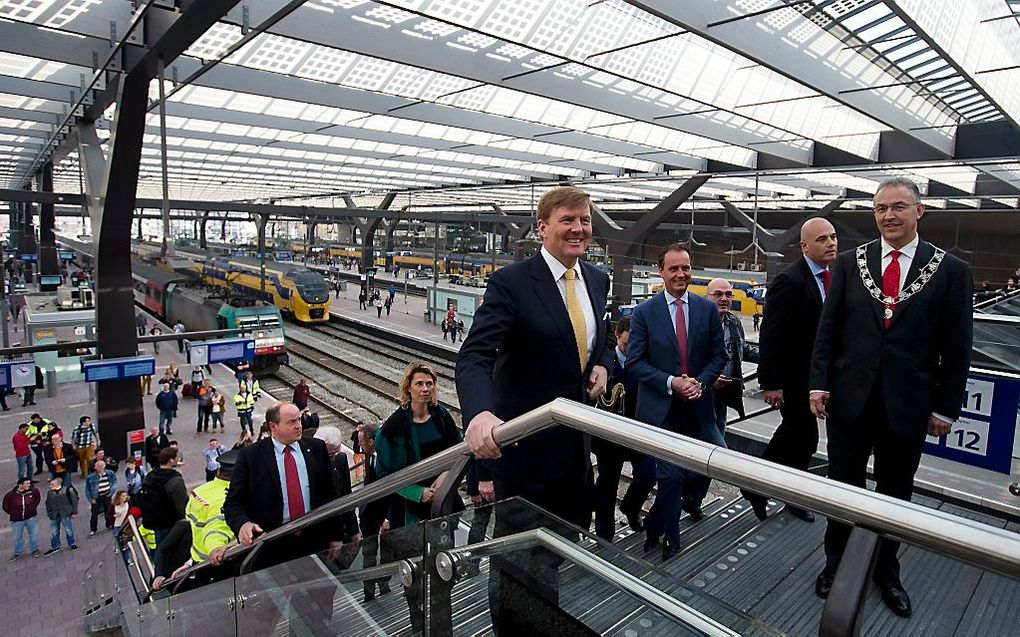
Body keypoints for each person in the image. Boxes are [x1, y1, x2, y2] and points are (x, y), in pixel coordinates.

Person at [809, 178, 973, 618]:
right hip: (850, 399)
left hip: (909, 404)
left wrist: (945, 406)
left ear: (919, 211)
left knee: (896, 492)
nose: (888, 216)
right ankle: (836, 563)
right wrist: (818, 382)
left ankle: (886, 570)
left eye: (898, 207)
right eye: (880, 208)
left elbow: (958, 348)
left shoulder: (951, 271)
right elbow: (829, 330)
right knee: (843, 485)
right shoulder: (849, 263)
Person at [456, 186, 614, 628]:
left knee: (551, 562)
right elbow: (474, 356)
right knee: (518, 566)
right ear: (542, 227)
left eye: (584, 220)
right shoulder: (511, 283)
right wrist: (480, 414)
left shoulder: (597, 280)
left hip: (572, 455)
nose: (579, 229)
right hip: (524, 457)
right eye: (567, 220)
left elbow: (597, 343)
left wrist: (602, 365)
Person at [626, 243, 725, 560]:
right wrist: (672, 383)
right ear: (661, 272)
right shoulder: (644, 313)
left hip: (698, 408)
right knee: (669, 477)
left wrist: (700, 382)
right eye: (674, 268)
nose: (681, 274)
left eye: (686, 267)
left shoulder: (706, 310)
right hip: (661, 410)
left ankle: (654, 523)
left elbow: (718, 356)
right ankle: (671, 540)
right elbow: (635, 363)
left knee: (717, 462)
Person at [745, 218, 837, 523]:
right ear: (805, 246)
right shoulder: (790, 280)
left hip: (814, 380)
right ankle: (767, 488)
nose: (831, 243)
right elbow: (771, 335)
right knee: (801, 438)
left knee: (798, 438)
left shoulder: (829, 277)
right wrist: (771, 383)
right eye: (822, 239)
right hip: (794, 380)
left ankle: (767, 488)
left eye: (833, 237)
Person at [375, 362, 462, 631]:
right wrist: (416, 492)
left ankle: (441, 622)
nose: (425, 389)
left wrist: (448, 475)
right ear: (408, 388)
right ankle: (418, 623)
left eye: (429, 383)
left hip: (443, 505)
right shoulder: (392, 428)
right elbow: (385, 474)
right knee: (414, 572)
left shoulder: (442, 416)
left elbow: (459, 450)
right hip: (409, 512)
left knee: (443, 566)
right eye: (419, 384)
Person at [223, 402, 341, 565]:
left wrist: (335, 536)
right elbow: (233, 503)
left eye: (299, 420)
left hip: (314, 539)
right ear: (273, 426)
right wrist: (242, 524)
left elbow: (331, 495)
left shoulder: (316, 448)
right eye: (291, 422)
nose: (299, 426)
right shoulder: (250, 456)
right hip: (270, 544)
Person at [591, 316, 655, 540]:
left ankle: (630, 507)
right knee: (608, 483)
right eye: (626, 344)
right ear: (617, 337)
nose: (630, 349)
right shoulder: (607, 364)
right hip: (609, 435)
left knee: (648, 474)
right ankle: (604, 534)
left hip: (637, 431)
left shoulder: (643, 360)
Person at [356, 423, 392, 601]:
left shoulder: (388, 458)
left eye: (362, 443)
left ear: (371, 442)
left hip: (386, 512)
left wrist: (388, 518)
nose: (360, 447)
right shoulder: (369, 454)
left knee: (387, 551)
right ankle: (368, 591)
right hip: (369, 512)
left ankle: (383, 582)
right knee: (369, 552)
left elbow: (394, 490)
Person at [187, 450, 238, 565]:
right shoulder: (228, 500)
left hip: (195, 557)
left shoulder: (198, 491)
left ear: (218, 471)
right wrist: (216, 548)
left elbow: (188, 518)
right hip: (211, 563)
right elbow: (216, 530)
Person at [313, 427, 361, 548]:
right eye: (330, 455)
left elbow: (346, 495)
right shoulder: (310, 465)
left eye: (336, 452)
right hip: (319, 531)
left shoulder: (341, 459)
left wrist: (354, 530)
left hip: (341, 529)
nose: (334, 458)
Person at [139, 447, 188, 547]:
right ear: (171, 460)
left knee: (160, 545)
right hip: (170, 522)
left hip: (155, 520)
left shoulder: (150, 475)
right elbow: (182, 506)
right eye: (176, 458)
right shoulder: (175, 480)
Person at [3, 477, 41, 560]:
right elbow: (5, 506)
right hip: (17, 520)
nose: (29, 485)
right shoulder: (10, 495)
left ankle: (35, 549)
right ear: (20, 485)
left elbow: (37, 500)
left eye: (29, 483)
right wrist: (14, 513)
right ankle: (18, 552)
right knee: (17, 537)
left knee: (33, 534)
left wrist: (32, 509)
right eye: (26, 484)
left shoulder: (34, 491)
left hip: (31, 517)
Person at [44, 477, 78, 554]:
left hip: (65, 513)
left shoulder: (68, 490)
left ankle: (71, 543)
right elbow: (48, 503)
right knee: (54, 531)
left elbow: (74, 501)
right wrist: (49, 512)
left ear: (58, 484)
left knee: (68, 529)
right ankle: (55, 546)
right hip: (54, 514)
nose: (50, 486)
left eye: (52, 484)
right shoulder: (50, 492)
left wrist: (74, 512)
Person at [85, 460, 116, 537]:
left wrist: (111, 492)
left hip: (106, 495)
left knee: (108, 511)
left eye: (101, 466)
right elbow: (87, 489)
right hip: (96, 497)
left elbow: (114, 482)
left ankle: (109, 524)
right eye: (97, 467)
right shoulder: (90, 477)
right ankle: (93, 529)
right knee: (94, 514)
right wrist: (90, 499)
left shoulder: (110, 473)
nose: (99, 468)